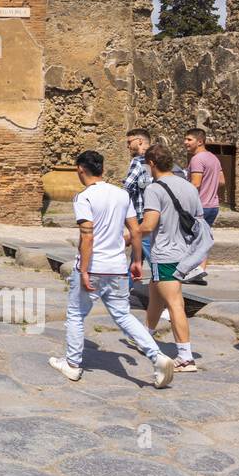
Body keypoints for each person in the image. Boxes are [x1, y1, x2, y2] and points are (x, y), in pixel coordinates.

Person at [49, 151, 175, 388]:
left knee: (76, 314)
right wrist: (137, 261)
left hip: (94, 267)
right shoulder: (121, 195)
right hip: (117, 267)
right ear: (102, 169)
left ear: (80, 170)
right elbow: (135, 230)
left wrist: (84, 271)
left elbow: (87, 236)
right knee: (124, 316)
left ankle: (73, 364)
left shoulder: (84, 197)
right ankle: (157, 356)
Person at [140, 144, 201, 372]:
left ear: (152, 164)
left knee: (175, 303)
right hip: (184, 252)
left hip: (165, 254)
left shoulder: (154, 189)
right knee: (155, 293)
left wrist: (127, 235)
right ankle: (146, 336)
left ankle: (186, 357)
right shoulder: (189, 187)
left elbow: (149, 225)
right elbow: (198, 219)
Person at [123, 128, 153, 263]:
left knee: (147, 250)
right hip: (157, 211)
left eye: (129, 142)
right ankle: (128, 282)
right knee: (137, 255)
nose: (128, 146)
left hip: (142, 214)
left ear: (140, 141)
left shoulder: (138, 161)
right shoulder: (156, 159)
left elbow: (127, 187)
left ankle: (167, 280)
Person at [184, 128, 224, 229]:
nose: (185, 142)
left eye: (189, 140)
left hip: (200, 207)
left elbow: (196, 184)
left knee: (192, 241)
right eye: (185, 139)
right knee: (204, 239)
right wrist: (210, 189)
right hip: (213, 207)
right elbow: (222, 182)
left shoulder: (197, 159)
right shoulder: (214, 158)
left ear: (200, 142)